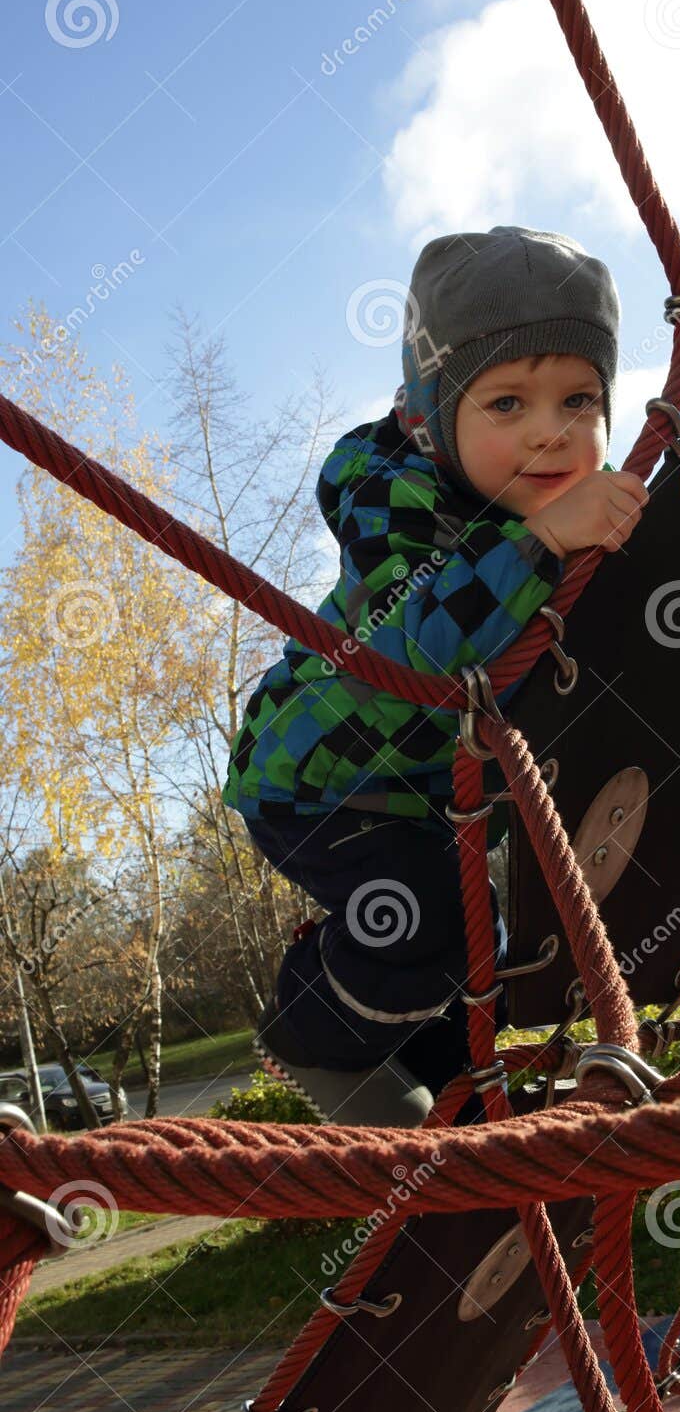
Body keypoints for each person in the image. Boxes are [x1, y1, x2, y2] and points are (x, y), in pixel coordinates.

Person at [221, 226, 645, 1126]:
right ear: (435, 412)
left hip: (426, 791)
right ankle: (311, 1029)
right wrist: (540, 541)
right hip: (320, 778)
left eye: (579, 399)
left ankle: (462, 1122)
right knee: (426, 914)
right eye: (507, 403)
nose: (551, 431)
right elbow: (420, 647)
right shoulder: (394, 494)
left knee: (474, 946)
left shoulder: (575, 509)